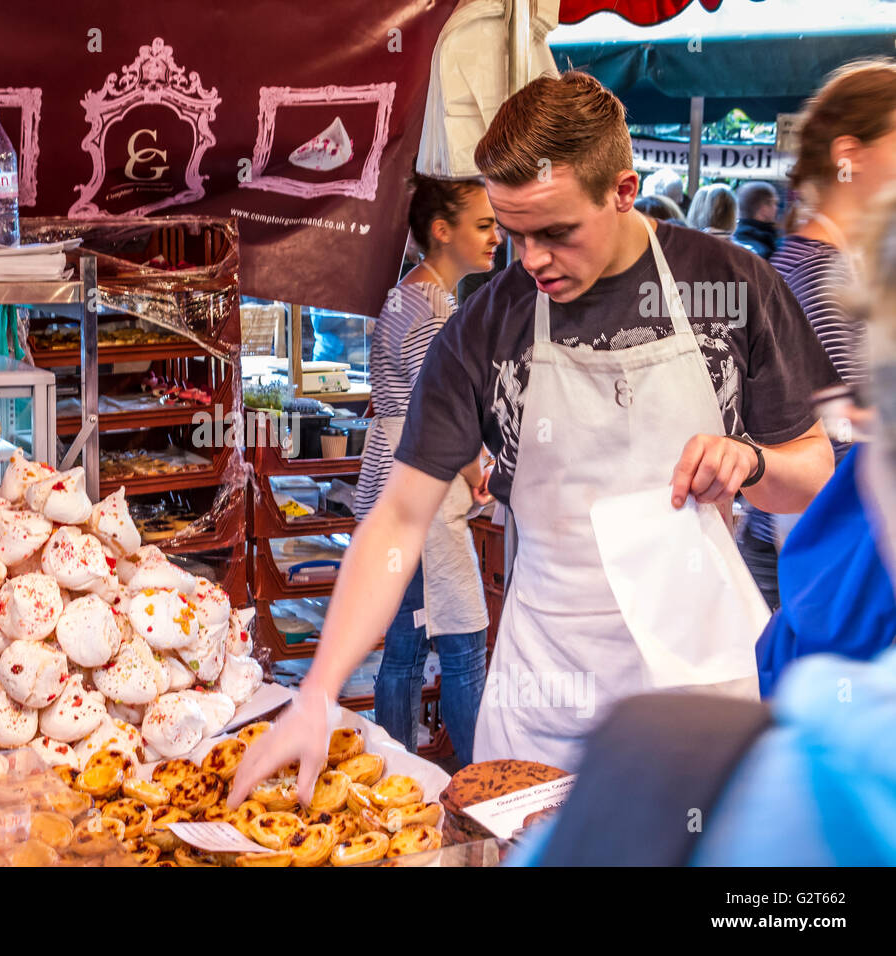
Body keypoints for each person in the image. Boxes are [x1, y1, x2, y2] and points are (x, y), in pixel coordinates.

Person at [229, 71, 836, 806]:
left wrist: (751, 460)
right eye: (513, 235)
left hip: (700, 691)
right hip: (547, 701)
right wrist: (319, 691)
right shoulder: (487, 325)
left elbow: (813, 471)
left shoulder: (732, 286)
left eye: (556, 232)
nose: (533, 261)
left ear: (623, 189)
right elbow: (399, 518)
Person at [512, 182, 896, 867]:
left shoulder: (809, 766)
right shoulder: (495, 318)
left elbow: (810, 491)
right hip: (546, 669)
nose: (534, 256)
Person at [737, 58, 896, 609]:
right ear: (849, 156)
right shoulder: (820, 276)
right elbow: (841, 446)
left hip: (816, 564)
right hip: (813, 572)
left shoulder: (832, 264)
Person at [355, 174, 499, 761]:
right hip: (425, 488)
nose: (496, 236)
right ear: (443, 231)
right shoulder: (434, 307)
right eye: (484, 225)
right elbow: (434, 408)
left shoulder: (406, 294)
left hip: (393, 479)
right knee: (465, 641)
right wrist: (475, 469)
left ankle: (394, 769)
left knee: (407, 643)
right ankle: (476, 786)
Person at [732, 180, 780, 259]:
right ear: (763, 209)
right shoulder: (766, 252)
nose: (776, 208)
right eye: (775, 203)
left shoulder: (731, 243)